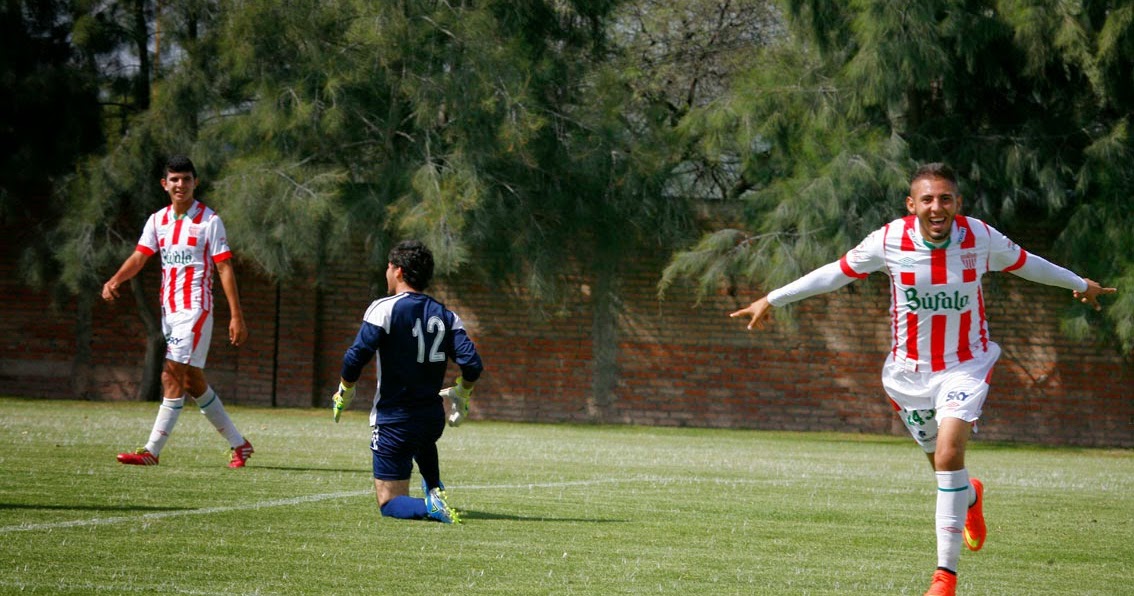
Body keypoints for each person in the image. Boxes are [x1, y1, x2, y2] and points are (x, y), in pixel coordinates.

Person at [729, 163, 1116, 596]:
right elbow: (835, 272)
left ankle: (944, 578)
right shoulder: (888, 240)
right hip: (908, 374)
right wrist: (773, 298)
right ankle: (970, 497)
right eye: (927, 199)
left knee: (949, 454)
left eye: (945, 199)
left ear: (957, 203)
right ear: (911, 205)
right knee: (942, 467)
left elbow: (1028, 263)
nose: (937, 207)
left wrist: (1078, 283)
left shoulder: (980, 237)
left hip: (966, 364)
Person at [101, 155, 255, 469]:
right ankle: (240, 445)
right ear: (164, 184)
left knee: (170, 375)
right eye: (174, 179)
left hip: (194, 309)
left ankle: (151, 451)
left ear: (195, 182)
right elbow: (140, 256)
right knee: (192, 382)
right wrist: (115, 279)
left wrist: (236, 315)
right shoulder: (157, 220)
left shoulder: (209, 221)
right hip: (169, 313)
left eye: (186, 179)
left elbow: (224, 268)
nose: (180, 184)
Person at [331, 240, 484, 524]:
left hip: (395, 419)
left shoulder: (384, 308)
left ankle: (431, 506)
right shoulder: (446, 315)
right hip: (430, 420)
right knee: (422, 440)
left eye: (388, 267)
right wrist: (463, 391)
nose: (386, 273)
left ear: (398, 271)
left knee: (389, 502)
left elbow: (355, 358)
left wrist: (345, 391)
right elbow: (472, 364)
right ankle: (435, 487)